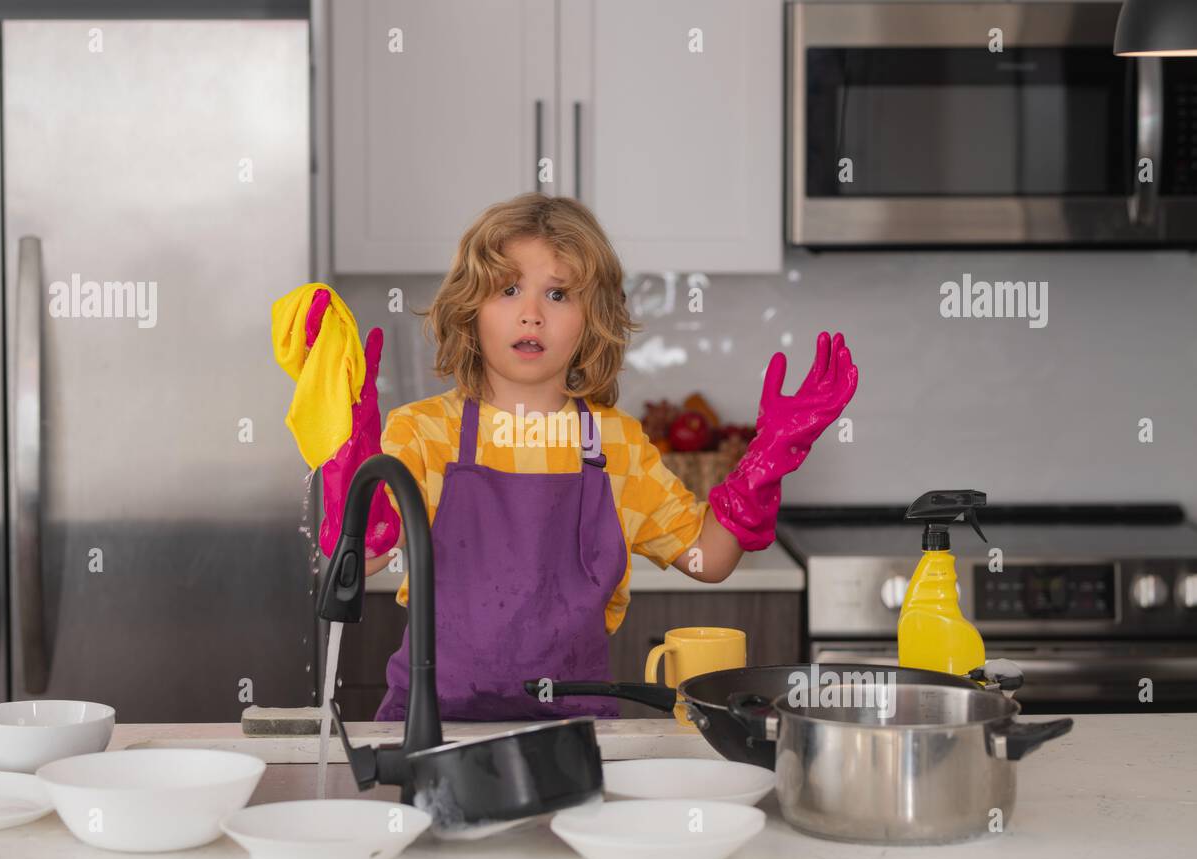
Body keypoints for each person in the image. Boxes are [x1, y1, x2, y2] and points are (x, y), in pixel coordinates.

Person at [315, 193, 857, 721]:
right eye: (507, 289)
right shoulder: (426, 431)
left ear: (591, 318)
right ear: (470, 309)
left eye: (558, 295)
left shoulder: (614, 443)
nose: (531, 315)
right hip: (432, 726)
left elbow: (707, 560)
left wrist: (769, 457)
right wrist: (348, 451)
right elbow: (365, 553)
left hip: (575, 734)